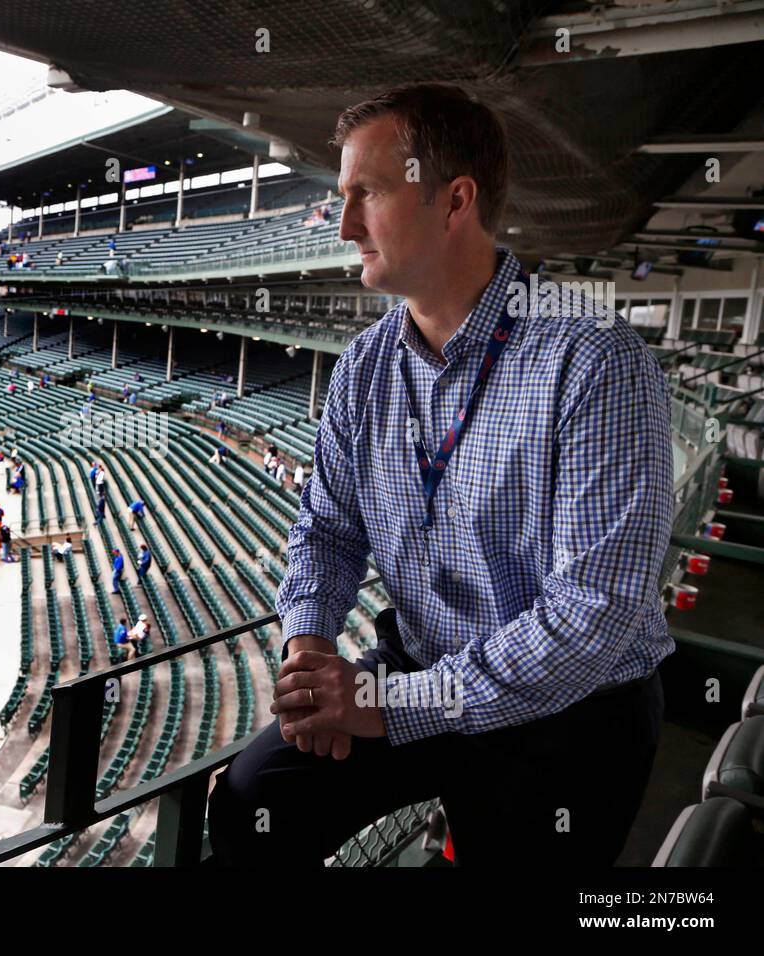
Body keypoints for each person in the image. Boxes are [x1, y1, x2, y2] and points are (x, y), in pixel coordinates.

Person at [207, 84, 672, 868]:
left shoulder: (594, 359)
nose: (346, 226)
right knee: (256, 800)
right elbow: (327, 530)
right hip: (418, 667)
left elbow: (593, 617)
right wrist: (310, 652)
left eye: (368, 195)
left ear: (455, 200)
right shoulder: (363, 367)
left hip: (570, 713)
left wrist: (386, 707)